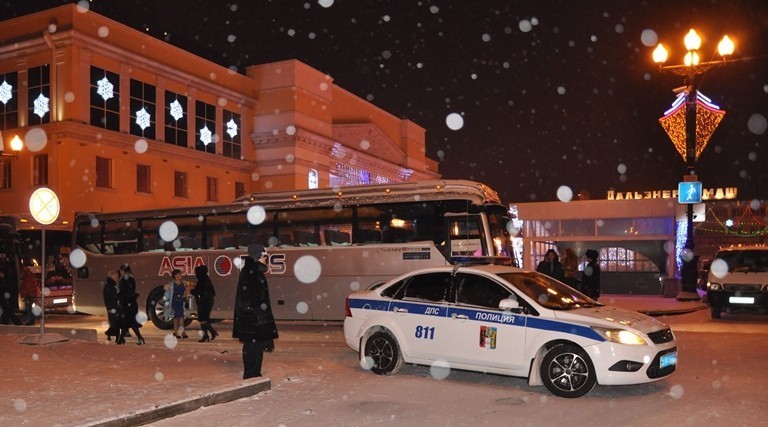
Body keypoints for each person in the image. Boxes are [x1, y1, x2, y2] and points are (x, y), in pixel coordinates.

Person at [233, 243, 279, 379]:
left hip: (256, 319)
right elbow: (249, 298)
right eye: (265, 255)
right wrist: (258, 315)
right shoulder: (251, 272)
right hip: (252, 320)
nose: (266, 258)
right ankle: (250, 373)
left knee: (257, 347)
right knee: (252, 347)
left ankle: (255, 372)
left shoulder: (254, 271)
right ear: (258, 256)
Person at [116, 264, 145, 345]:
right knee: (129, 322)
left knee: (127, 322)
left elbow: (123, 292)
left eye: (121, 270)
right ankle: (122, 339)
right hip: (131, 303)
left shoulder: (124, 279)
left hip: (127, 303)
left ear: (123, 270)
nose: (120, 272)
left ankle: (122, 339)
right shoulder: (131, 278)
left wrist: (119, 300)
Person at [192, 265, 218, 342]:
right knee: (205, 319)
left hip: (203, 302)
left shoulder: (202, 280)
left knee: (203, 320)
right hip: (208, 301)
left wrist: (191, 291)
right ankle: (211, 332)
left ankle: (206, 335)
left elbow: (198, 291)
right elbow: (212, 292)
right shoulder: (206, 279)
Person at [163, 269, 189, 339]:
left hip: (181, 302)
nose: (181, 275)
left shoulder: (183, 283)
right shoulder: (171, 284)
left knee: (179, 317)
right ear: (175, 275)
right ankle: (180, 332)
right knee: (179, 317)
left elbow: (187, 290)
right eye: (179, 274)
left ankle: (177, 332)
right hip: (174, 302)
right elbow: (167, 292)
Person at [103, 270, 120, 341]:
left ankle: (111, 335)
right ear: (113, 277)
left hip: (112, 307)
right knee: (115, 323)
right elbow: (110, 298)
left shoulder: (110, 286)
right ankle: (114, 336)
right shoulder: (111, 286)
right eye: (116, 277)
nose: (118, 279)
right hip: (113, 307)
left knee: (114, 323)